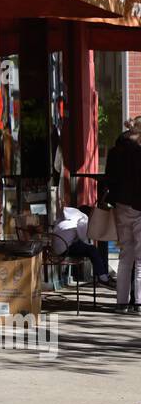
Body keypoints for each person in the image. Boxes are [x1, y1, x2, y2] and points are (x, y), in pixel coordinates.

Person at [102, 117, 141, 312]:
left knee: (125, 256)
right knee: (140, 259)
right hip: (139, 207)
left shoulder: (114, 152)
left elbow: (108, 180)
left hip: (120, 206)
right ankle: (139, 302)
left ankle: (121, 303)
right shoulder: (138, 152)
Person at [50, 206, 115, 287]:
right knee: (92, 250)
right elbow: (84, 238)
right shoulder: (82, 218)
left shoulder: (67, 218)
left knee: (92, 250)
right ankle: (102, 277)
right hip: (65, 249)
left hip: (56, 249)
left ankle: (102, 274)